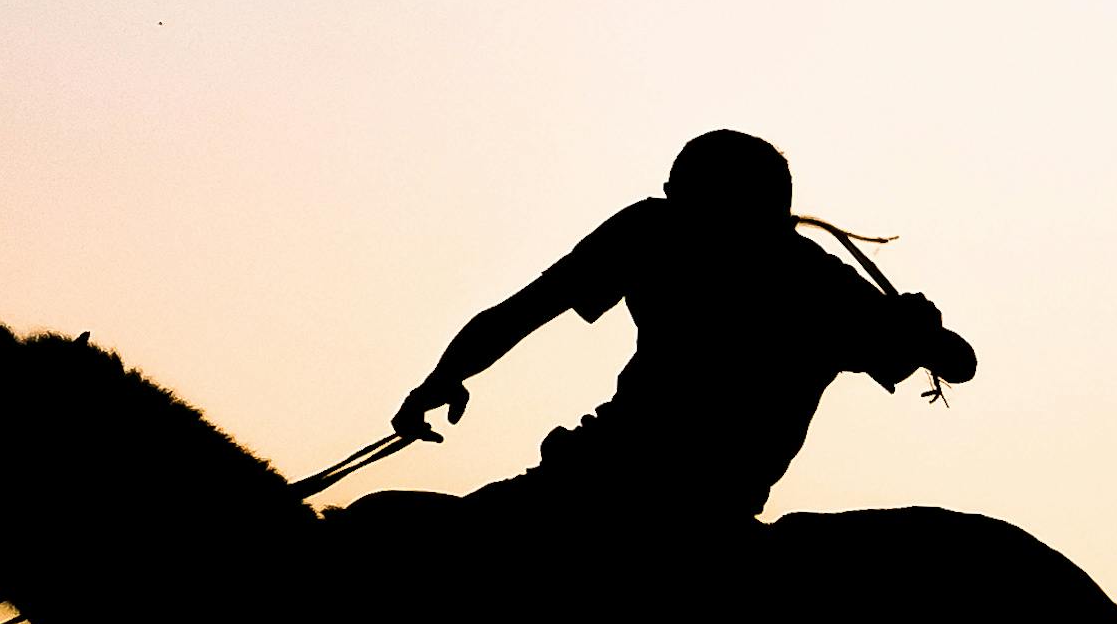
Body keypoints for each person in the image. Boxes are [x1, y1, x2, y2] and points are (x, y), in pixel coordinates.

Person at [392, 128, 973, 527]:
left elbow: (523, 309)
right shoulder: (820, 280)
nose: (668, 197)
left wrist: (445, 376)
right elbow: (961, 363)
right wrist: (924, 336)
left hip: (604, 484)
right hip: (713, 504)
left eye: (681, 191)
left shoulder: (657, 232)